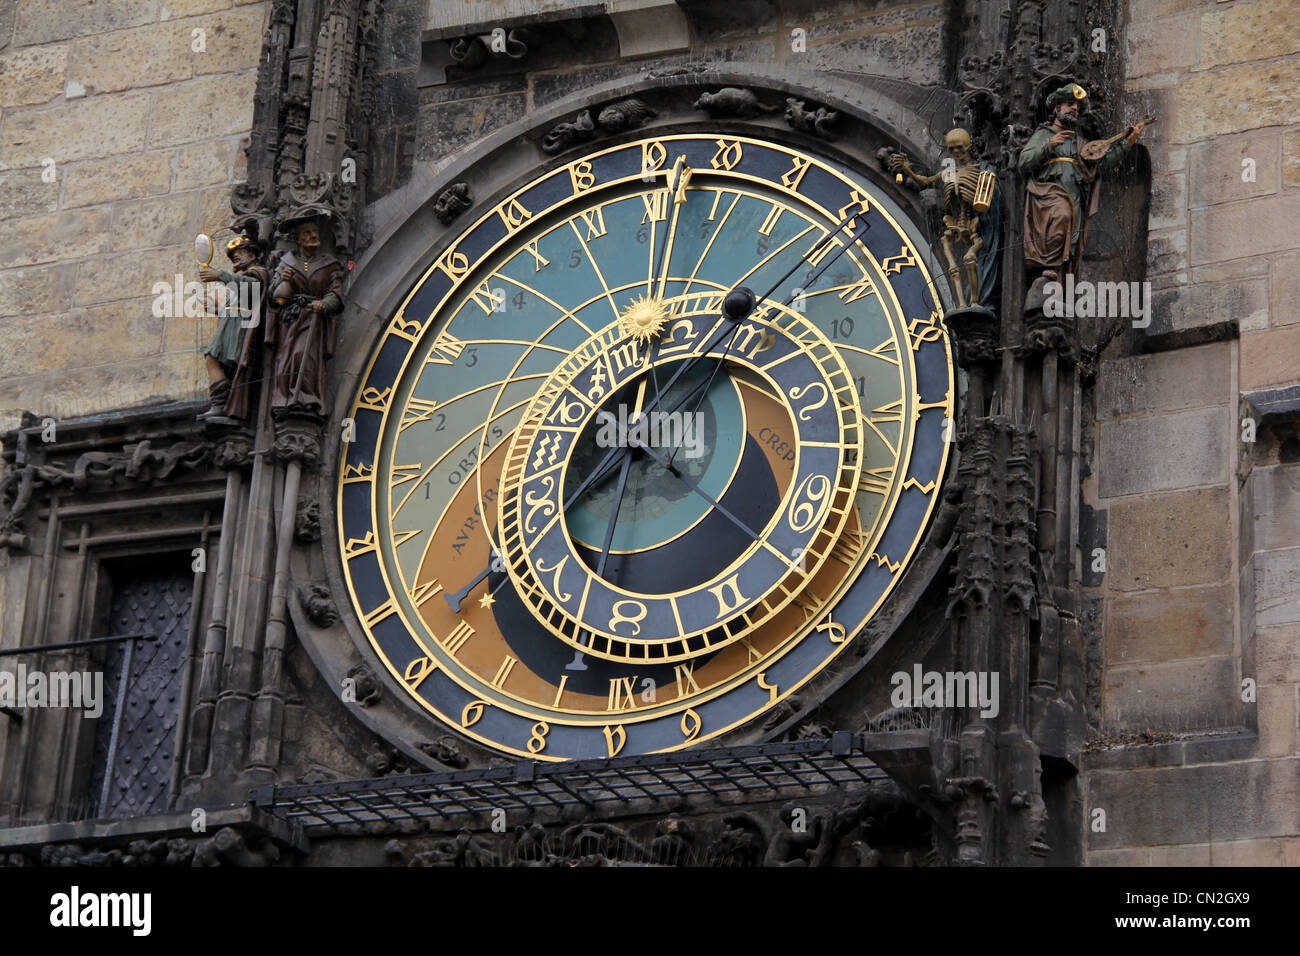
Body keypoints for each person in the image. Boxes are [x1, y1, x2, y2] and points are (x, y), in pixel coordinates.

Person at [1018, 84, 1148, 280]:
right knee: (1061, 215)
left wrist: (1128, 142)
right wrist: (1049, 146)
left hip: (1076, 196)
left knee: (1072, 239)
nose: (1074, 109)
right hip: (1049, 194)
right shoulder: (1044, 135)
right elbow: (1024, 162)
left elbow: (1101, 166)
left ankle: (1061, 278)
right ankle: (1049, 269)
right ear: (1056, 109)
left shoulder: (1080, 143)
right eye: (1069, 104)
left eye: (1077, 107)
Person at [265, 212, 345, 417]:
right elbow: (274, 297)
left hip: (313, 317)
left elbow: (336, 293)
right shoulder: (286, 263)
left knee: (304, 355)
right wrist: (282, 280)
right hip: (290, 320)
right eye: (307, 233)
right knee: (286, 359)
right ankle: (285, 397)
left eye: (315, 232)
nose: (313, 236)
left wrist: (324, 303)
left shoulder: (329, 264)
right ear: (297, 238)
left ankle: (306, 397)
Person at [197, 235, 268, 422]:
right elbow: (236, 304)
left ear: (253, 255)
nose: (236, 256)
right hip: (230, 325)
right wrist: (214, 308)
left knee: (215, 359)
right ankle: (221, 404)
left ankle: (221, 404)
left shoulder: (257, 273)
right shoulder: (240, 279)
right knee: (213, 359)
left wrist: (220, 275)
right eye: (233, 255)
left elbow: (253, 288)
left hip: (239, 329)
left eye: (240, 252)